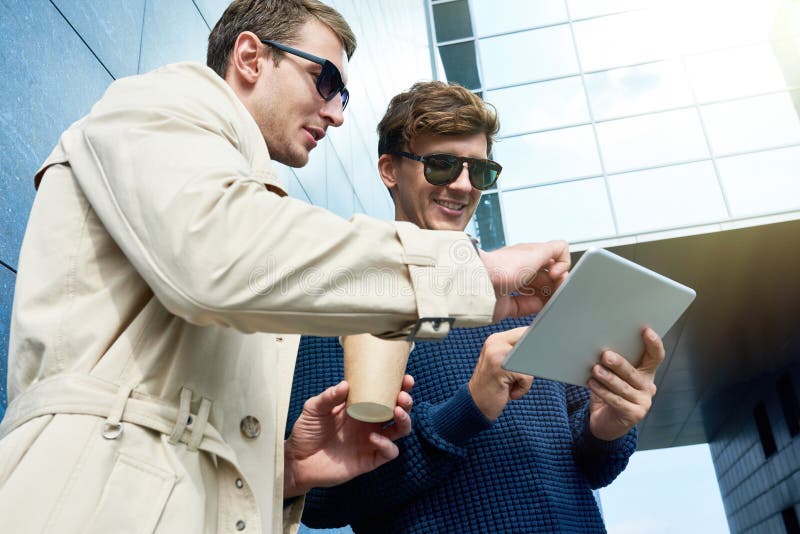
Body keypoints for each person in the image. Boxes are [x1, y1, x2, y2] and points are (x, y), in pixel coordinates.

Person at [0, 2, 572, 533]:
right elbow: (218, 260)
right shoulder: (160, 103)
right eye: (326, 81)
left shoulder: (257, 221)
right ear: (251, 57)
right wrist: (475, 272)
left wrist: (289, 468)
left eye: (343, 96)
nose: (337, 114)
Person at [287, 81, 666, 533]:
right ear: (389, 170)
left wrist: (608, 426)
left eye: (480, 171)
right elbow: (320, 499)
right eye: (442, 165)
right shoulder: (343, 297)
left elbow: (593, 466)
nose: (464, 186)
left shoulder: (528, 297)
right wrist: (469, 408)